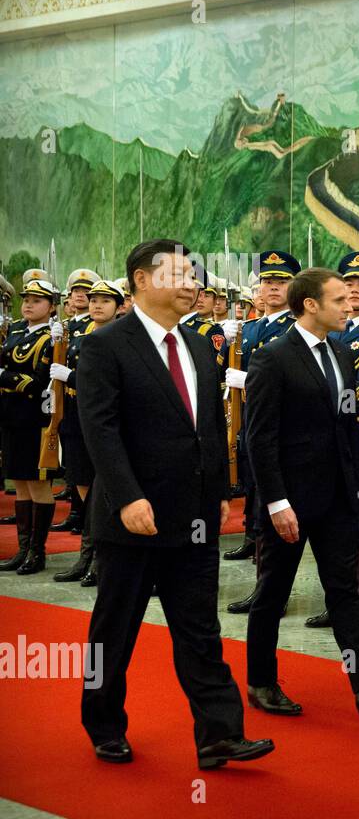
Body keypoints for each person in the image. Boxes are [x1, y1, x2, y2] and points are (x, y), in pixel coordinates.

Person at [77, 239, 273, 769]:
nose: (193, 283)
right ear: (141, 280)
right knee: (113, 631)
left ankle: (219, 734)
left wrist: (219, 495)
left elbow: (209, 429)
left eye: (195, 275)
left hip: (192, 519)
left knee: (200, 629)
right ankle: (103, 724)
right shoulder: (105, 345)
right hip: (132, 518)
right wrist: (127, 496)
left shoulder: (199, 346)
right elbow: (100, 429)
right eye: (181, 274)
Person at [242, 265, 359, 718]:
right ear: (310, 305)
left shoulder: (341, 354)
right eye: (339, 300)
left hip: (337, 497)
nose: (349, 306)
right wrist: (276, 501)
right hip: (290, 500)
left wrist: (354, 489)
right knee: (272, 592)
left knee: (344, 590)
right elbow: (259, 437)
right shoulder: (273, 357)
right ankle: (261, 682)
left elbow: (344, 428)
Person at [304, 251, 359, 630]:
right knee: (340, 525)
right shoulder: (337, 331)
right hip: (334, 437)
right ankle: (342, 604)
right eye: (348, 284)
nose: (354, 290)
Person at [222, 250, 300, 586]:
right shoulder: (249, 329)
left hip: (280, 428)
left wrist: (249, 382)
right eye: (268, 281)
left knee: (272, 510)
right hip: (248, 427)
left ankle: (272, 590)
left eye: (281, 281)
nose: (272, 287)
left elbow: (294, 378)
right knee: (255, 507)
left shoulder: (294, 329)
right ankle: (262, 586)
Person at [50, 278, 125, 586]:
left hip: (104, 421)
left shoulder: (119, 339)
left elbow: (111, 383)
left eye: (104, 301)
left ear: (119, 308)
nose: (95, 304)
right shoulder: (80, 335)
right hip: (78, 419)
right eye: (93, 299)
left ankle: (100, 558)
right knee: (82, 487)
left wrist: (73, 378)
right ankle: (86, 555)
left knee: (100, 491)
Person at [0, 271, 58, 574]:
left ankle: (38, 552)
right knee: (19, 483)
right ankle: (23, 550)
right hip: (11, 415)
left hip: (34, 417)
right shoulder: (17, 330)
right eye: (26, 300)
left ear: (50, 305)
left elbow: (38, 383)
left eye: (36, 301)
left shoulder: (51, 337)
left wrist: (5, 377)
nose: (28, 305)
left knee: (37, 483)